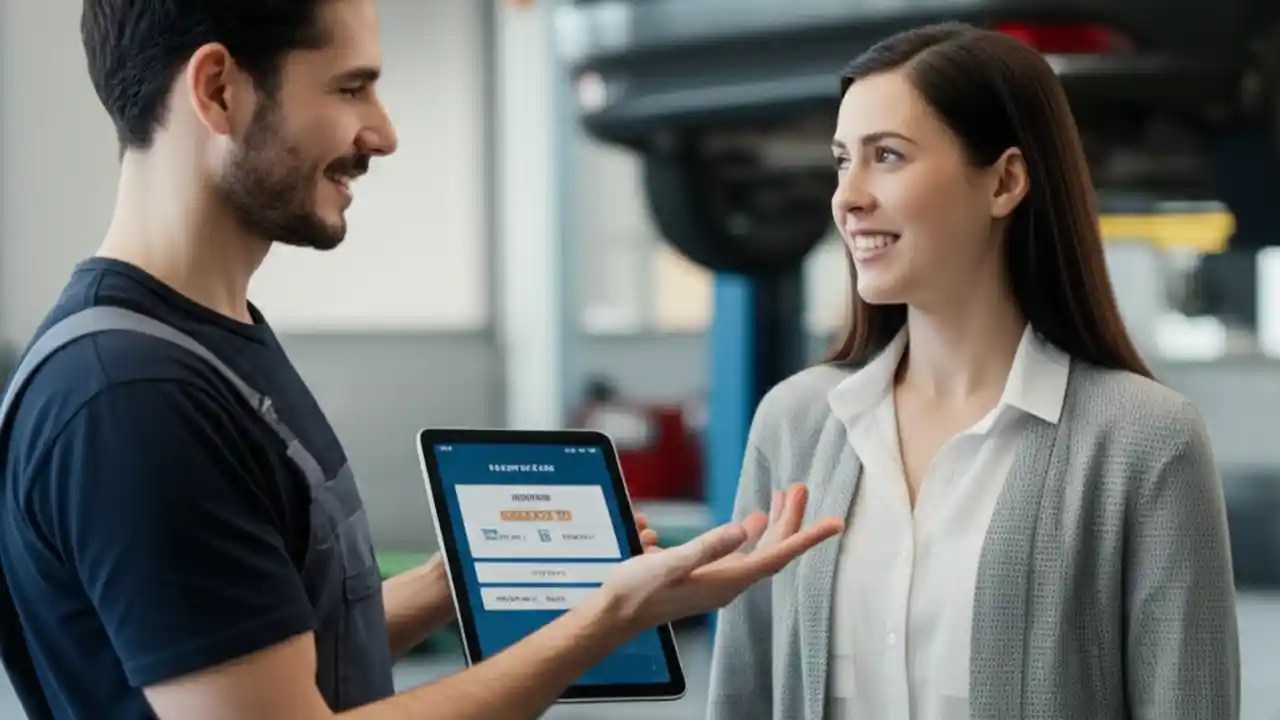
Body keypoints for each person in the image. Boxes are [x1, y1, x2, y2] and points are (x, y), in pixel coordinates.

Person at [0, 2, 845, 719]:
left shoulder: (207, 341)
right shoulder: (132, 399)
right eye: (351, 86)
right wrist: (612, 615)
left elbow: (280, 643)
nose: (384, 132)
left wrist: (462, 582)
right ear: (219, 89)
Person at [706, 22, 1240, 720]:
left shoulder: (1145, 441)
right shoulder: (798, 422)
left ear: (1006, 181)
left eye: (887, 157)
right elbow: (743, 697)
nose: (848, 197)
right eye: (842, 162)